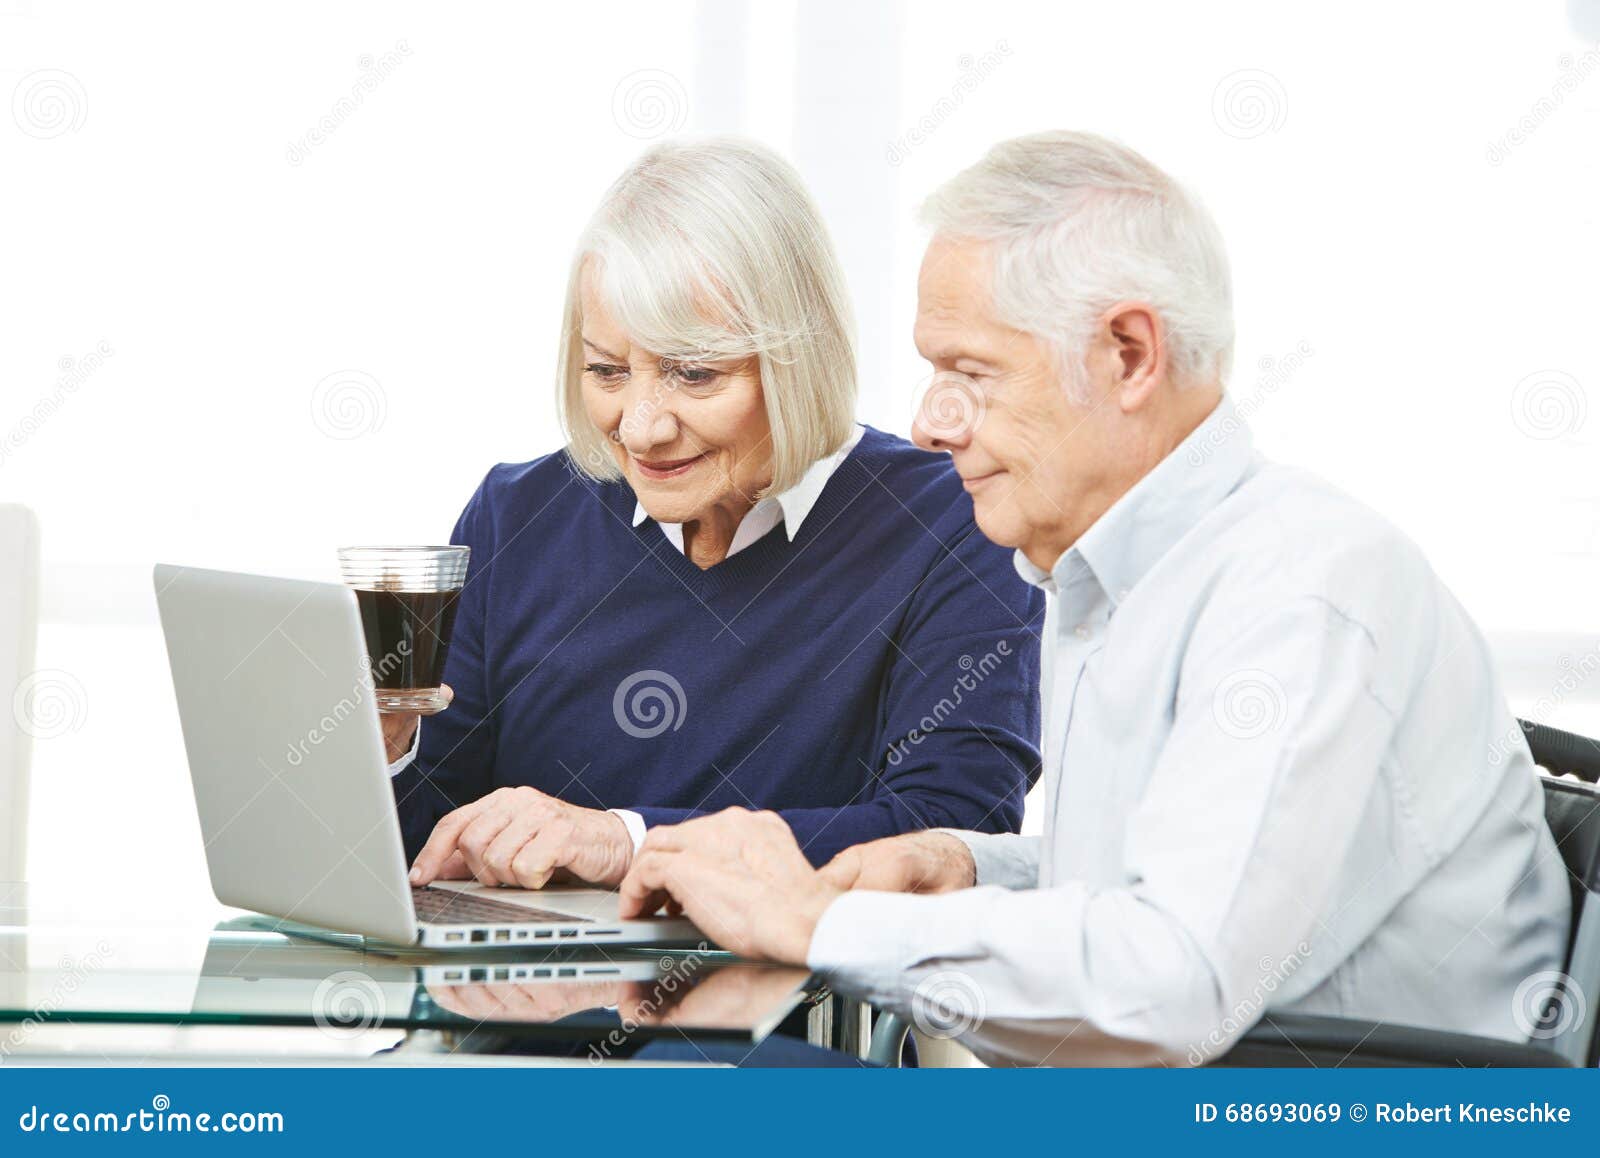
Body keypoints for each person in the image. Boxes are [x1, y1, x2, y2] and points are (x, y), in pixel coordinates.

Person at [614, 131, 1571, 1066]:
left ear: (1127, 355)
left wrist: (825, 923)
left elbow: (1173, 985)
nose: (927, 421)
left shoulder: (1300, 588)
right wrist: (968, 865)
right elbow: (1165, 891)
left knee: (672, 1085)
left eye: (969, 372)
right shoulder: (1117, 575)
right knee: (681, 1069)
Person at [393, 138, 1044, 892]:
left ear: (802, 358)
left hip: (788, 1007)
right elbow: (424, 851)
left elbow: (951, 833)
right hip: (512, 1003)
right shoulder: (518, 515)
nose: (640, 428)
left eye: (693, 374)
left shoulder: (950, 521)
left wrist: (631, 843)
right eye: (606, 370)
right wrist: (386, 752)